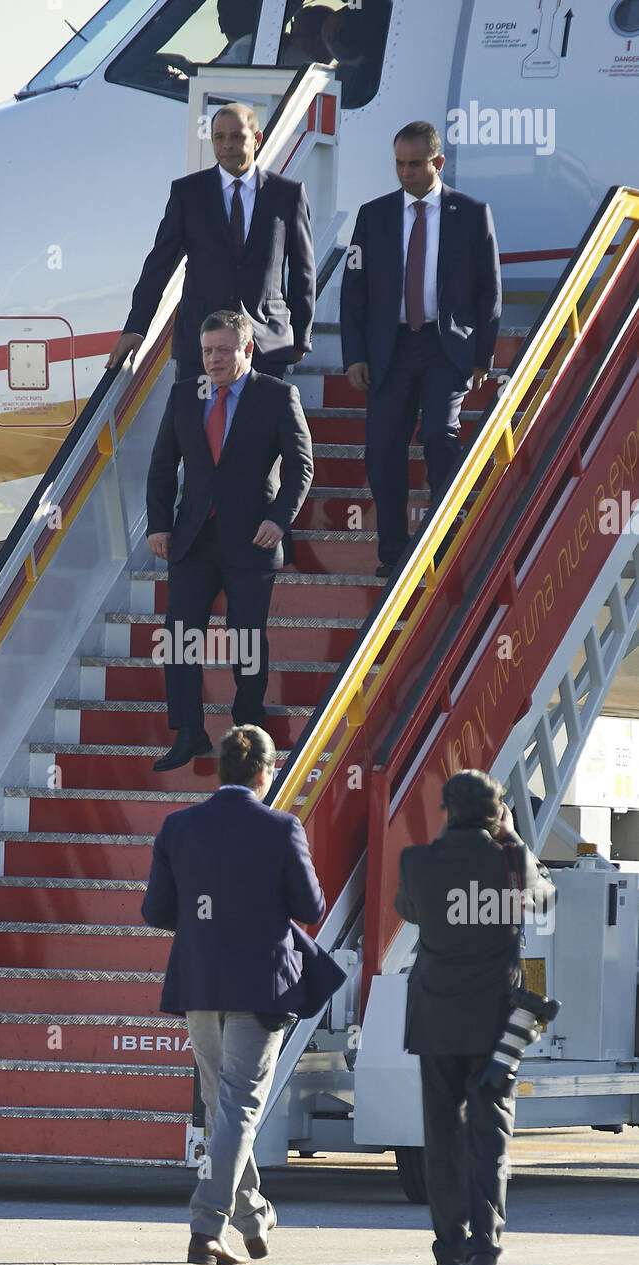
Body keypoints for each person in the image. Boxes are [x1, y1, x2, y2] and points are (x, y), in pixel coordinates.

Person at [141, 724, 346, 1265]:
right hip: (260, 985)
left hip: (200, 982)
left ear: (218, 769)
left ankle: (252, 1213)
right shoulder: (281, 828)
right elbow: (310, 905)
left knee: (223, 1107)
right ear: (265, 772)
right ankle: (206, 1226)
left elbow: (155, 911)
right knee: (241, 1104)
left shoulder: (178, 826)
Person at [395, 770, 556, 1265]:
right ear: (497, 812)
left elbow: (409, 910)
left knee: (442, 1138)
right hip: (495, 1023)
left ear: (447, 810)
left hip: (435, 1018)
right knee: (491, 1139)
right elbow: (548, 902)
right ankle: (485, 1251)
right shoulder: (511, 861)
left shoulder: (417, 862)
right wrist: (511, 837)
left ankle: (449, 1253)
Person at [146, 309, 313, 771]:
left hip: (253, 538)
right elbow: (162, 466)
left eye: (222, 350)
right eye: (206, 351)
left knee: (246, 639)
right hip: (193, 539)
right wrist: (158, 524)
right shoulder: (184, 395)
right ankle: (188, 733)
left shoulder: (278, 396)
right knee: (179, 638)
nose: (213, 360)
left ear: (247, 349)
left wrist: (280, 520)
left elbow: (301, 466)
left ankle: (248, 735)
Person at [340, 120, 501, 577]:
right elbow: (354, 290)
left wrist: (481, 357)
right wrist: (355, 354)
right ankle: (393, 552)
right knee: (382, 450)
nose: (406, 173)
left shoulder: (471, 213)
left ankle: (444, 543)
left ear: (438, 163)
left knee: (439, 437)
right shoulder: (372, 217)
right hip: (390, 349)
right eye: (399, 164)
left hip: (444, 348)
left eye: (415, 164)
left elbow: (490, 291)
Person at [106, 102, 315, 385]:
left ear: (257, 139)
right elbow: (159, 264)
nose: (227, 144)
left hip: (266, 343)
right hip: (200, 344)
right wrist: (136, 327)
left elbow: (303, 270)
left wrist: (301, 336)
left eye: (237, 136)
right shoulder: (187, 193)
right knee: (198, 429)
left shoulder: (288, 195)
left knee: (258, 429)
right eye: (219, 137)